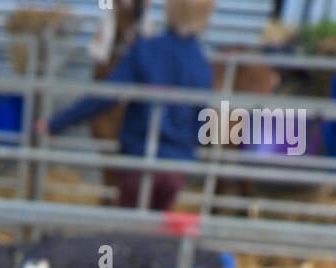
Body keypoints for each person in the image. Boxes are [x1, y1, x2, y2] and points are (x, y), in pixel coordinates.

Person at [36, 0, 215, 212]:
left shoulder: (146, 50)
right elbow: (200, 121)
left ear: (169, 11)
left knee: (128, 233)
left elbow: (105, 96)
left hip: (140, 161)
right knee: (156, 232)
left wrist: (55, 124)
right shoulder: (202, 64)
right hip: (176, 167)